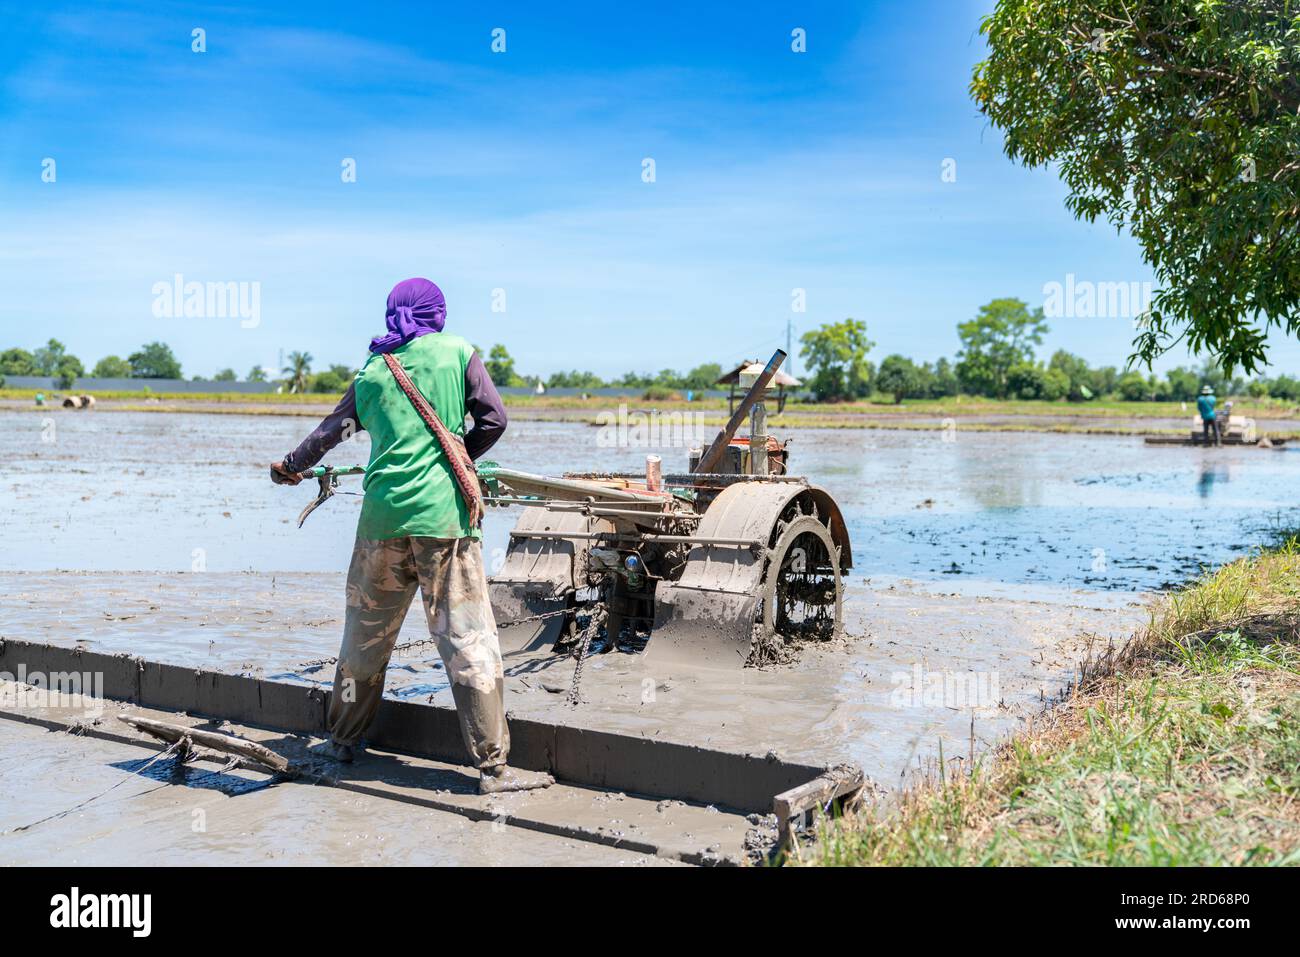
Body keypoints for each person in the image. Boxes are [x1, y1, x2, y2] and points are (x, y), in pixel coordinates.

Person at [270, 277, 553, 795]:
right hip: (443, 522)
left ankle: (343, 743)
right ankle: (494, 768)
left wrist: (290, 467)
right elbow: (494, 419)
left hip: (380, 522)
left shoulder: (374, 368)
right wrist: (458, 456)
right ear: (435, 311)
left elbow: (330, 433)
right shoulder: (458, 353)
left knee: (363, 640)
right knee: (467, 639)